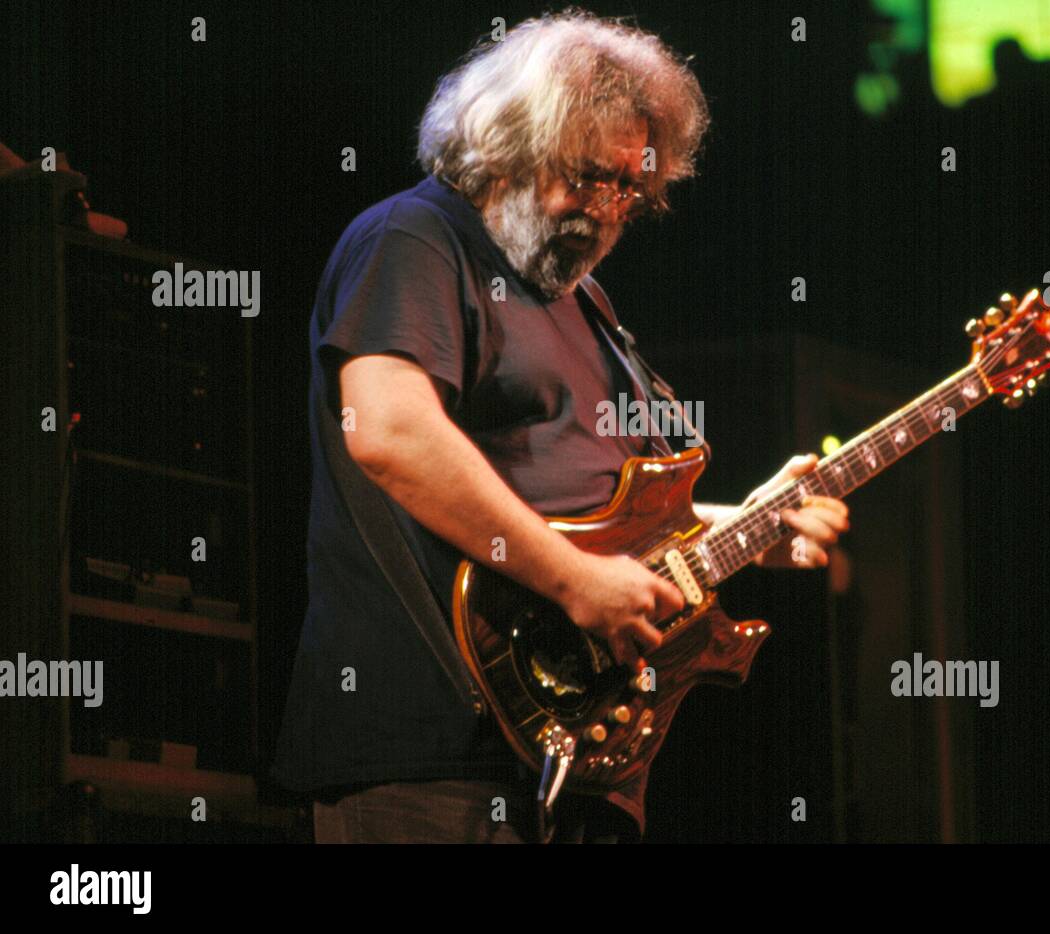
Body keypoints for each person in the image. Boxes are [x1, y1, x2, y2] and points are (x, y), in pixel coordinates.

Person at [270, 8, 849, 843]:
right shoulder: (418, 237)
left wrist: (750, 526)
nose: (605, 210)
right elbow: (390, 431)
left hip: (578, 764)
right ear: (507, 145)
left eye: (630, 190)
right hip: (431, 754)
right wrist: (575, 581)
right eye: (586, 177)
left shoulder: (592, 313)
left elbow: (604, 524)